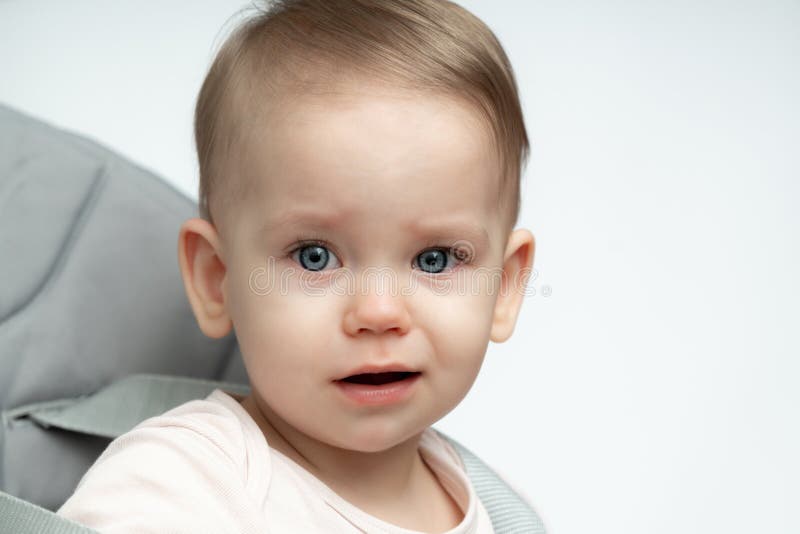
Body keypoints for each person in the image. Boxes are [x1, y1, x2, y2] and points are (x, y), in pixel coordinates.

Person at [57, 0, 536, 532]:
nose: (378, 312)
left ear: (504, 287)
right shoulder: (182, 482)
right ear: (218, 280)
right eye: (315, 257)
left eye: (435, 259)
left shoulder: (505, 513)